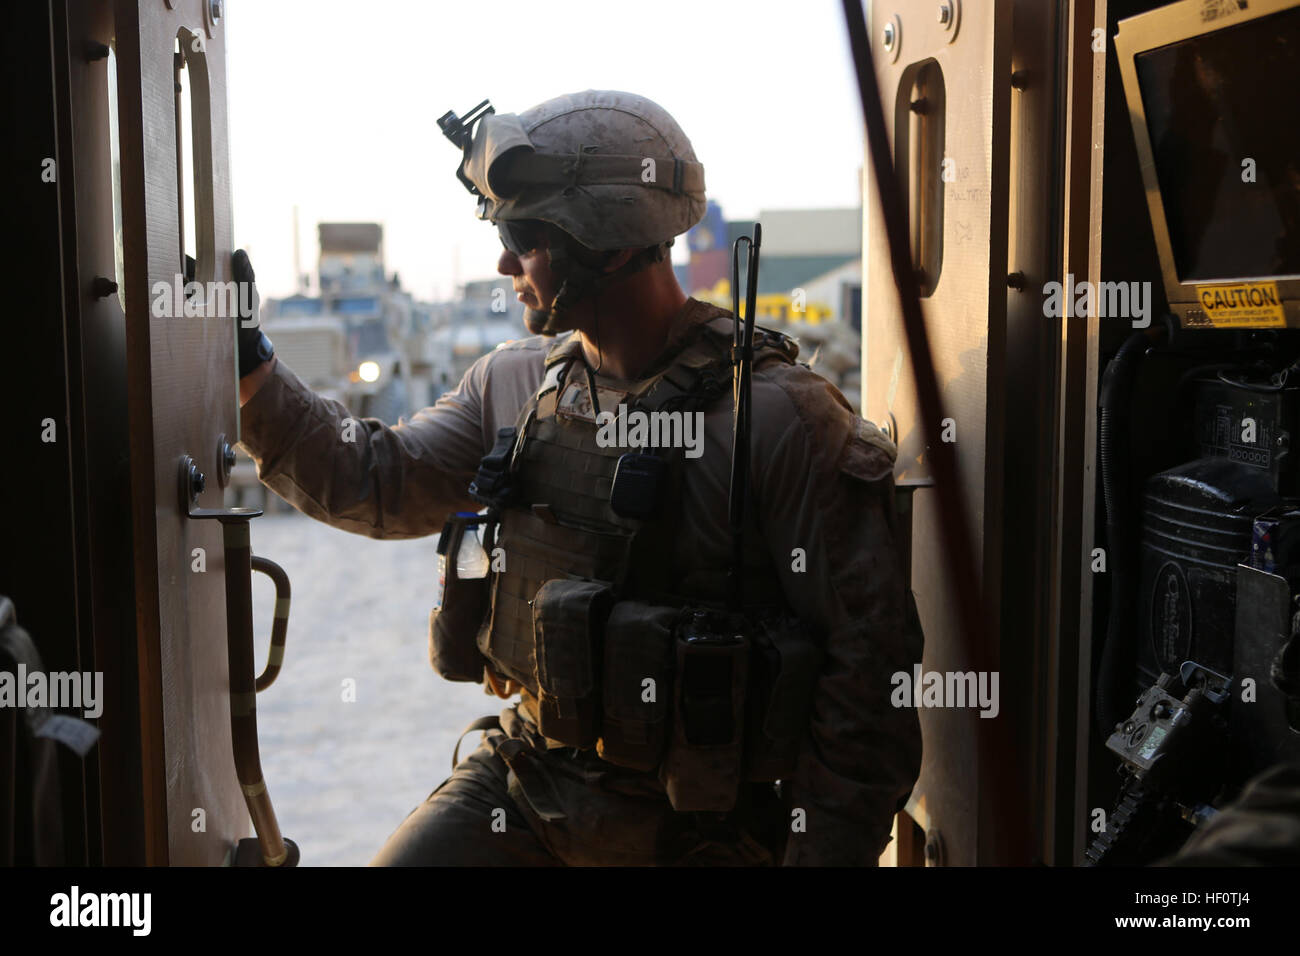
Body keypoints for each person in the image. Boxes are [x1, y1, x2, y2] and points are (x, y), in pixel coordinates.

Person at [234, 90, 921, 866]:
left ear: (614, 245)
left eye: (525, 237)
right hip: (533, 785)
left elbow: (868, 690)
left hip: (704, 829)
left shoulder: (780, 420)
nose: (504, 262)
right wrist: (250, 363)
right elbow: (374, 479)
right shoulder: (515, 385)